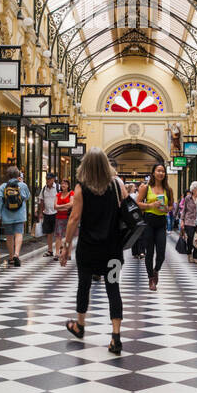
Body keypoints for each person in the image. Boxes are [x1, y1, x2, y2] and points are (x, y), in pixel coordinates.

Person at [62, 148, 126, 355]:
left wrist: (66, 246)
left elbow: (74, 219)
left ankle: (80, 325)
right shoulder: (116, 185)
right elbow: (126, 206)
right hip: (113, 249)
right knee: (113, 288)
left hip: (88, 250)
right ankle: (116, 336)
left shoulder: (81, 189)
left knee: (84, 285)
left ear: (86, 165)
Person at [136, 162, 173, 289]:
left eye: (163, 171)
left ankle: (156, 270)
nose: (161, 173)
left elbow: (171, 205)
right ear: (153, 173)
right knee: (150, 252)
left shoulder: (168, 189)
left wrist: (166, 209)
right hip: (149, 221)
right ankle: (151, 278)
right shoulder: (146, 188)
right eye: (158, 170)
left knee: (161, 253)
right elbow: (138, 203)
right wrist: (150, 206)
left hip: (161, 221)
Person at [0, 165, 31, 266]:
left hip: (7, 216)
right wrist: (22, 182)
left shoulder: (3, 186)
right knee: (19, 234)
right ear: (18, 175)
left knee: (9, 236)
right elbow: (28, 196)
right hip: (20, 215)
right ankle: (16, 254)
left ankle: (11, 257)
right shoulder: (22, 185)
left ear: (8, 175)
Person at [38, 172, 58, 258]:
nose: (47, 180)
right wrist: (40, 212)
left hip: (56, 213)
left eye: (49, 179)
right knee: (49, 233)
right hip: (47, 213)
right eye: (47, 179)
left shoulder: (58, 187)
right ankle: (50, 250)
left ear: (53, 179)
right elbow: (41, 201)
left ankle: (58, 250)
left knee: (58, 233)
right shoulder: (44, 189)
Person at [181, 181, 197, 263]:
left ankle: (196, 256)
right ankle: (189, 253)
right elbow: (184, 210)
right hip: (189, 221)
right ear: (193, 190)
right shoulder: (187, 198)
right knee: (190, 238)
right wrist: (182, 221)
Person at [55, 180, 74, 256]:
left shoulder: (71, 193)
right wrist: (65, 206)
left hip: (68, 217)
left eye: (65, 184)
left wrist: (60, 207)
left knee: (68, 236)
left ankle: (68, 253)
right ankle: (57, 253)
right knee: (58, 235)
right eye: (62, 183)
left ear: (68, 186)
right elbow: (55, 206)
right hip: (59, 217)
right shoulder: (58, 194)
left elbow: (71, 204)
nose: (63, 185)